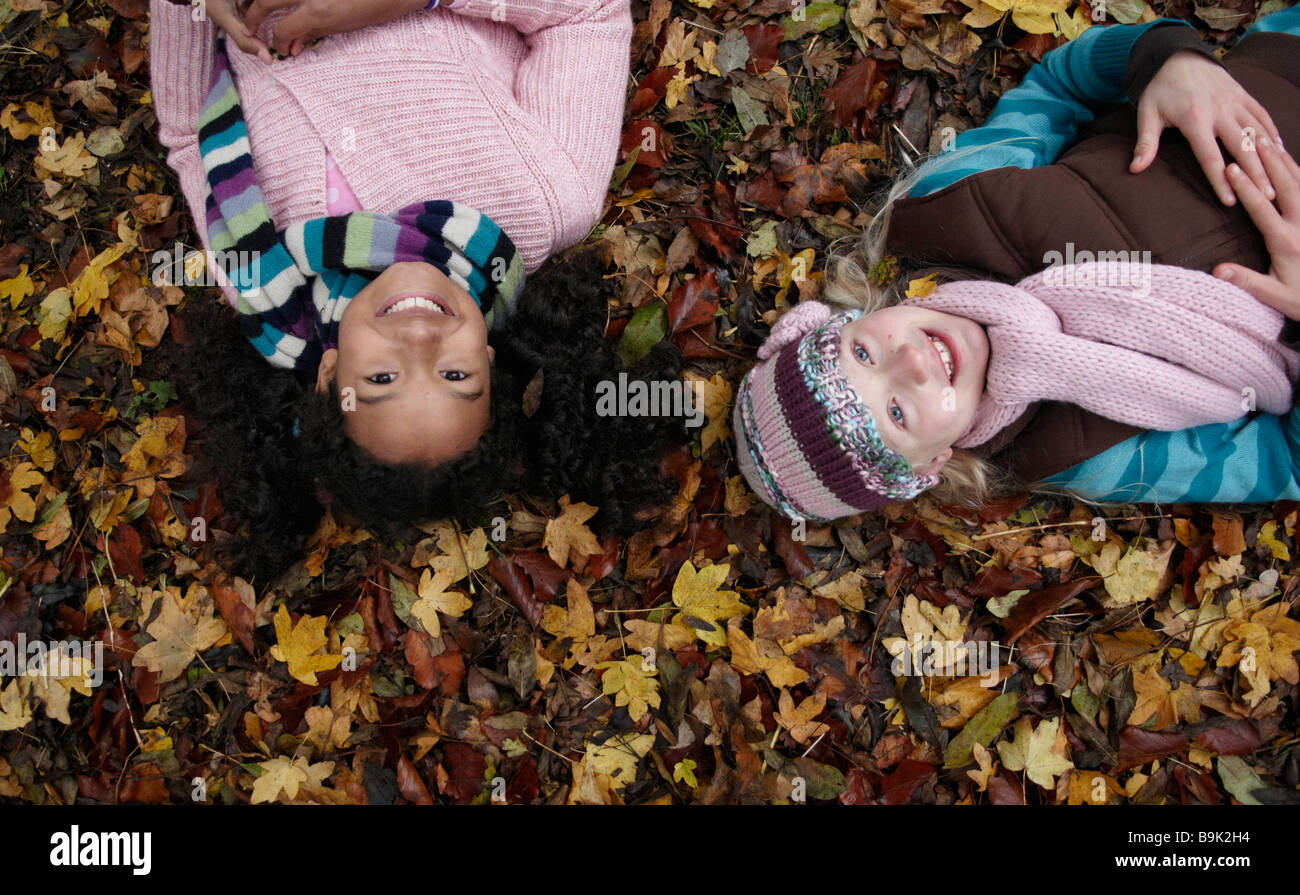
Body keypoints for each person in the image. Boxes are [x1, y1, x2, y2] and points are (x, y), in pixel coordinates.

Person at [149, 0, 681, 579]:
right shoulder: (547, 200)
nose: (421, 337)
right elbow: (588, 11)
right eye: (456, 376)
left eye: (382, 379)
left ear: (329, 375)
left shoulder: (257, 274)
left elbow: (187, 132)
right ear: (488, 356)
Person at [733, 8, 1300, 521]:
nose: (909, 359)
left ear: (844, 318)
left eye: (863, 353)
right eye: (898, 413)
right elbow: (1286, 462)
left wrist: (1163, 59)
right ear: (933, 464)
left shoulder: (948, 205)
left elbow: (1058, 85)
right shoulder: (1083, 455)